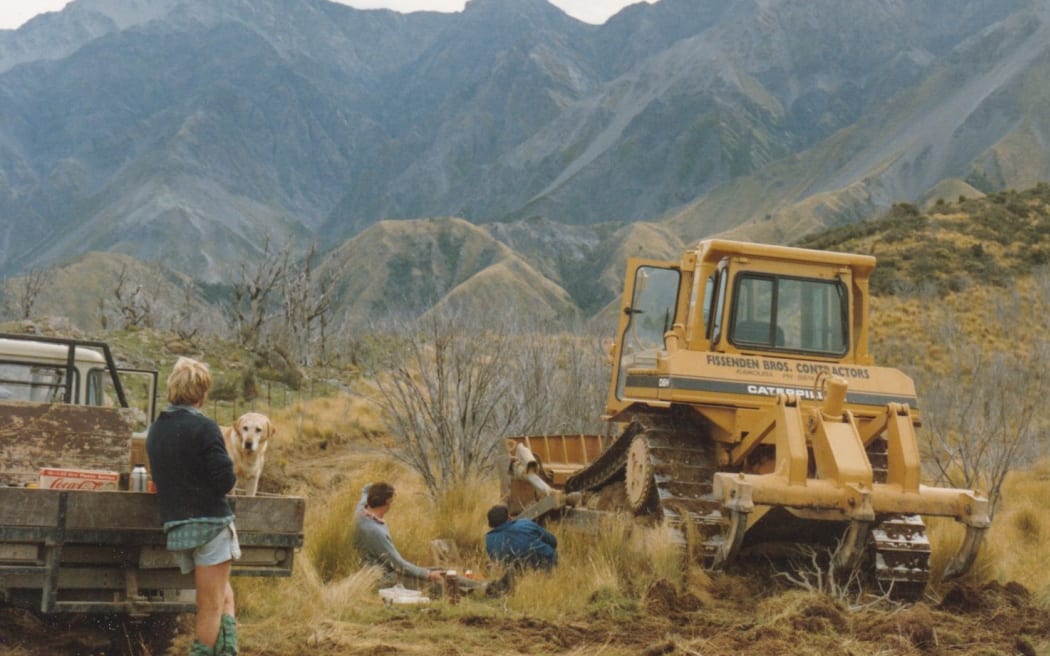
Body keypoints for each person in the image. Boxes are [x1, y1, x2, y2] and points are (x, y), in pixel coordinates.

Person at [146, 357, 240, 656]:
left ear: (173, 389)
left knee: (225, 597)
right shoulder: (205, 427)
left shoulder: (156, 430)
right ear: (202, 394)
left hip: (177, 526)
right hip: (210, 526)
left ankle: (228, 652)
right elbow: (225, 481)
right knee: (210, 607)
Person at [353, 482, 509, 596]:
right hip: (385, 578)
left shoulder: (361, 510)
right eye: (391, 500)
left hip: (391, 571)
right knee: (437, 583)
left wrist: (381, 488)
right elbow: (399, 565)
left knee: (446, 573)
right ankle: (483, 592)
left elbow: (365, 489)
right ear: (387, 501)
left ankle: (488, 586)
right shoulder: (374, 532)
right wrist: (427, 574)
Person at [485, 504, 557, 571]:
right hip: (548, 565)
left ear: (491, 525)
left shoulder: (489, 540)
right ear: (509, 517)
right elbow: (553, 541)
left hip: (517, 576)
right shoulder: (525, 524)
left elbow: (497, 561)